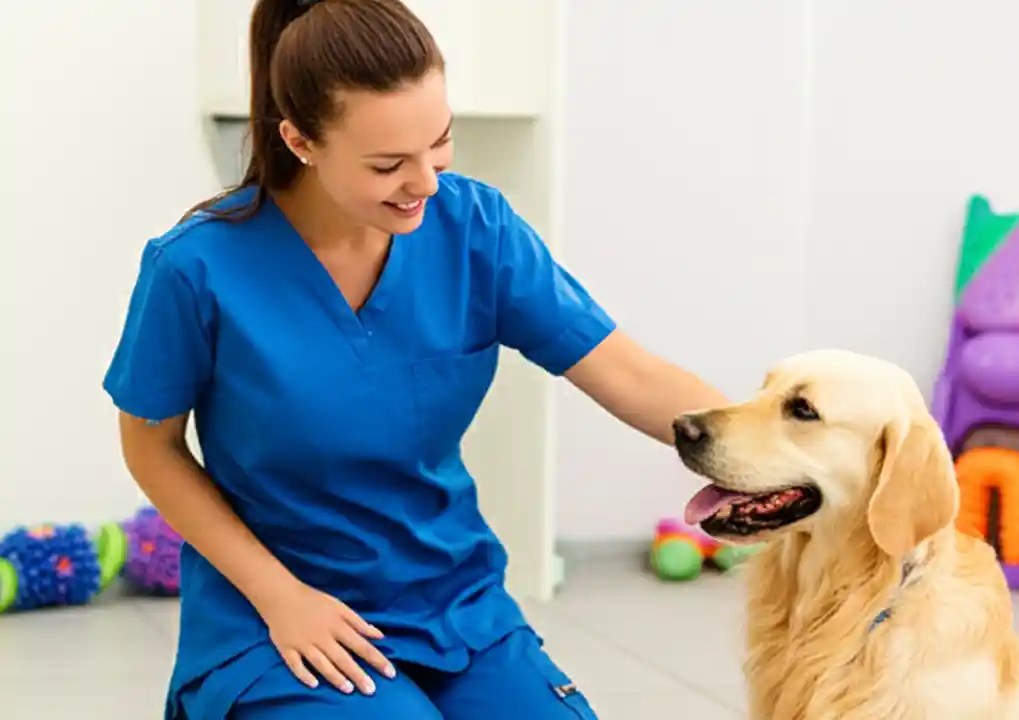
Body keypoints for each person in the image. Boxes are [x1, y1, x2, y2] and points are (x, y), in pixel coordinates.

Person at [103, 0, 728, 717]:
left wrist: (766, 453)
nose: (427, 181)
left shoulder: (474, 227)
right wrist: (282, 599)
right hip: (277, 612)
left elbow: (628, 372)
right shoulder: (196, 267)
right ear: (301, 140)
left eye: (440, 142)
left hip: (452, 600)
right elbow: (151, 447)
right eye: (388, 164)